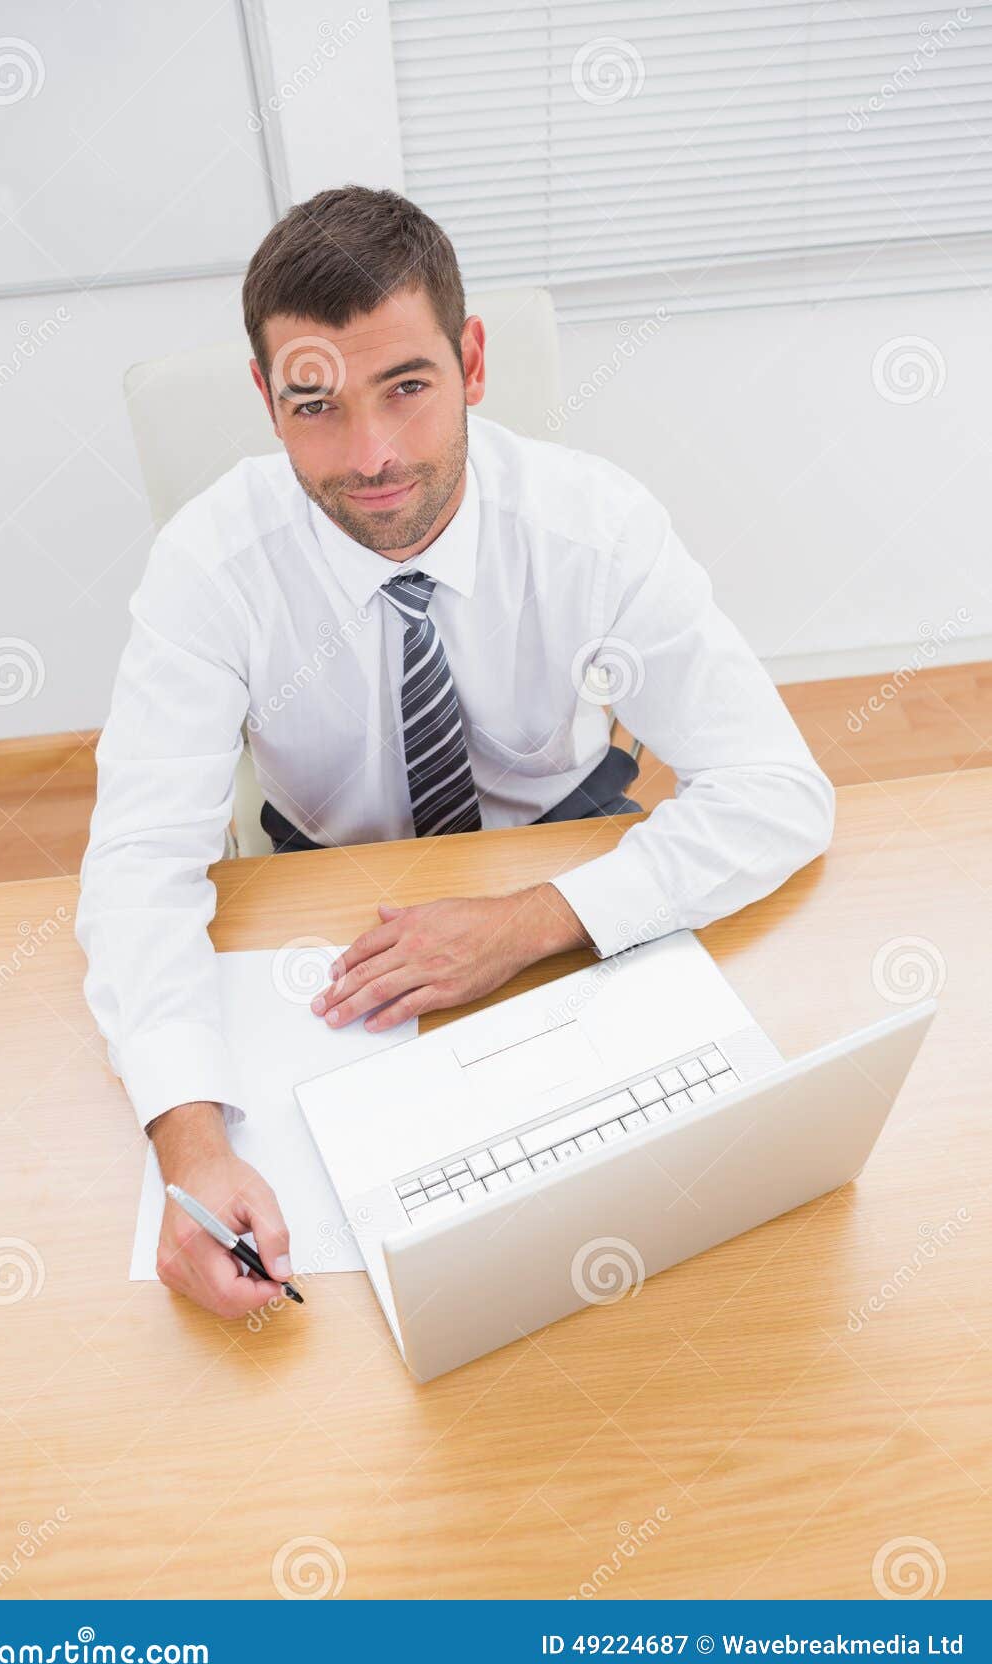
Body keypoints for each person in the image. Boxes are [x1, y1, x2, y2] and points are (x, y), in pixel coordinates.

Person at [76, 185, 834, 1318]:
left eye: (408, 388)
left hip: (567, 872)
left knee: (682, 1257)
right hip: (329, 906)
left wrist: (530, 919)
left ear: (471, 361)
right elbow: (137, 866)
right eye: (317, 405)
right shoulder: (209, 567)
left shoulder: (592, 526)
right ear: (265, 399)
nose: (372, 455)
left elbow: (778, 793)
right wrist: (188, 1144)